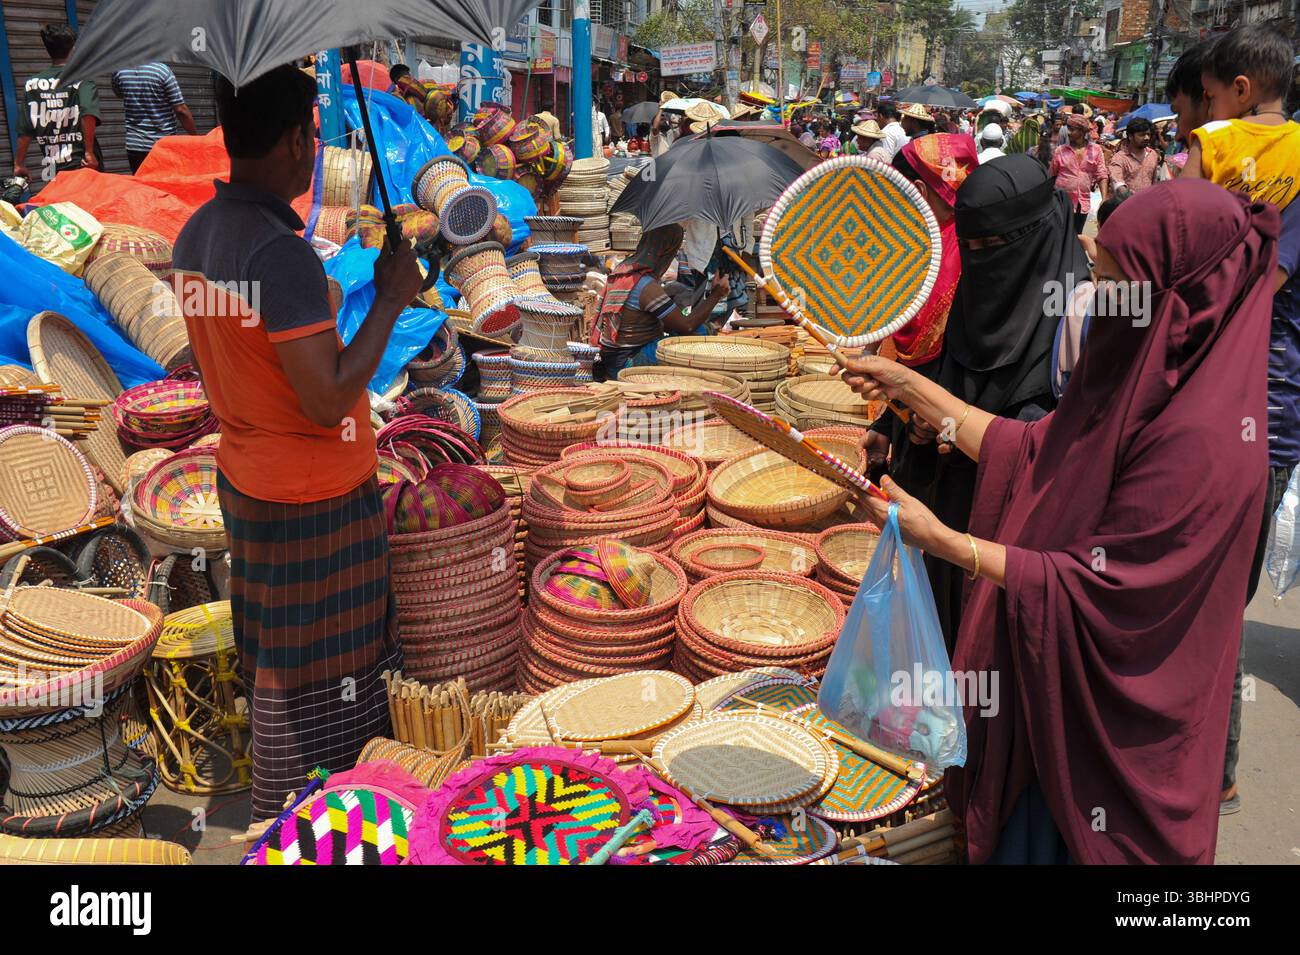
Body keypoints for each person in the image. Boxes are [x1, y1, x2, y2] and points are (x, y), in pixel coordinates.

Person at [841, 179, 1278, 864]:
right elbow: (1034, 449)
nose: (1095, 299)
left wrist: (947, 542)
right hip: (1049, 710)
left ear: (1175, 299)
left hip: (1109, 741)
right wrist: (911, 389)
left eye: (1111, 282)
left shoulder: (1207, 440)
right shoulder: (1140, 376)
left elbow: (1107, 589)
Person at [171, 65, 422, 822]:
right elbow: (324, 396)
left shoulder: (197, 234)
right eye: (312, 134)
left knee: (277, 667)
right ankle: (326, 818)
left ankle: (285, 813)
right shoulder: (274, 254)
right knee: (327, 679)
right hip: (314, 494)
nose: (316, 150)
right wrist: (391, 299)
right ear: (290, 140)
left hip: (250, 479)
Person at [1179, 24, 1300, 818]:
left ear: (1242, 93)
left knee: (1215, 599)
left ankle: (1209, 767)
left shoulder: (1281, 174)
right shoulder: (1256, 170)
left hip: (1261, 418)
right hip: (1233, 408)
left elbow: (1247, 283)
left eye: (1215, 101)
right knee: (1200, 594)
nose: (1208, 122)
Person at [917, 155, 1089, 650]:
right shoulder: (968, 299)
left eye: (996, 244)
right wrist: (922, 425)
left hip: (1025, 547)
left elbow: (1072, 453)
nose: (983, 258)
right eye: (970, 246)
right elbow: (951, 392)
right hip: (951, 530)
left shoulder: (1078, 317)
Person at [865, 135, 978, 486]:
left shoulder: (951, 254)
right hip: (925, 415)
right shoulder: (947, 242)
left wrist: (928, 416)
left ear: (916, 189)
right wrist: (887, 424)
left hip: (950, 432)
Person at [1183, 25, 1300, 209]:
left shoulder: (1213, 138)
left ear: (1241, 89)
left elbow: (1181, 211)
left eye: (1211, 97)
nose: (1210, 111)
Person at [593, 225, 730, 373]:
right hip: (627, 362)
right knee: (699, 332)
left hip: (612, 358)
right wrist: (717, 294)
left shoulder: (623, 270)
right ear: (665, 252)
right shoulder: (645, 285)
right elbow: (687, 326)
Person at [13, 22, 101, 181]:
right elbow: (88, 112)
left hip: (51, 167)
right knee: (86, 204)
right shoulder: (82, 79)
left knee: (59, 205)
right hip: (82, 164)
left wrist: (18, 163)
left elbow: (25, 129)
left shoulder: (32, 84)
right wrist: (89, 152)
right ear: (74, 49)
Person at [111, 62, 198, 172]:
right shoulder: (162, 71)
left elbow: (119, 94)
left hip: (135, 146)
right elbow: (180, 110)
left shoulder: (119, 71)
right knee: (163, 186)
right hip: (162, 146)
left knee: (142, 186)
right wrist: (195, 137)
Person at [1050, 113, 1109, 233]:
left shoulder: (1096, 150)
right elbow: (1051, 175)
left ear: (1082, 131)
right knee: (1060, 235)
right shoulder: (1060, 151)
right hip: (1061, 202)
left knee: (1076, 236)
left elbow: (1101, 174)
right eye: (1068, 129)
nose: (1068, 132)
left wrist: (1104, 198)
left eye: (1072, 129)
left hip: (1082, 203)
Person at [1106, 116, 1159, 196]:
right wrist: (1131, 198)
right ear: (1130, 136)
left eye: (1148, 134)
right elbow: (1117, 183)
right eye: (1142, 135)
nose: (1147, 138)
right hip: (1125, 204)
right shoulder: (1120, 158)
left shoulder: (1153, 154)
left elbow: (1154, 181)